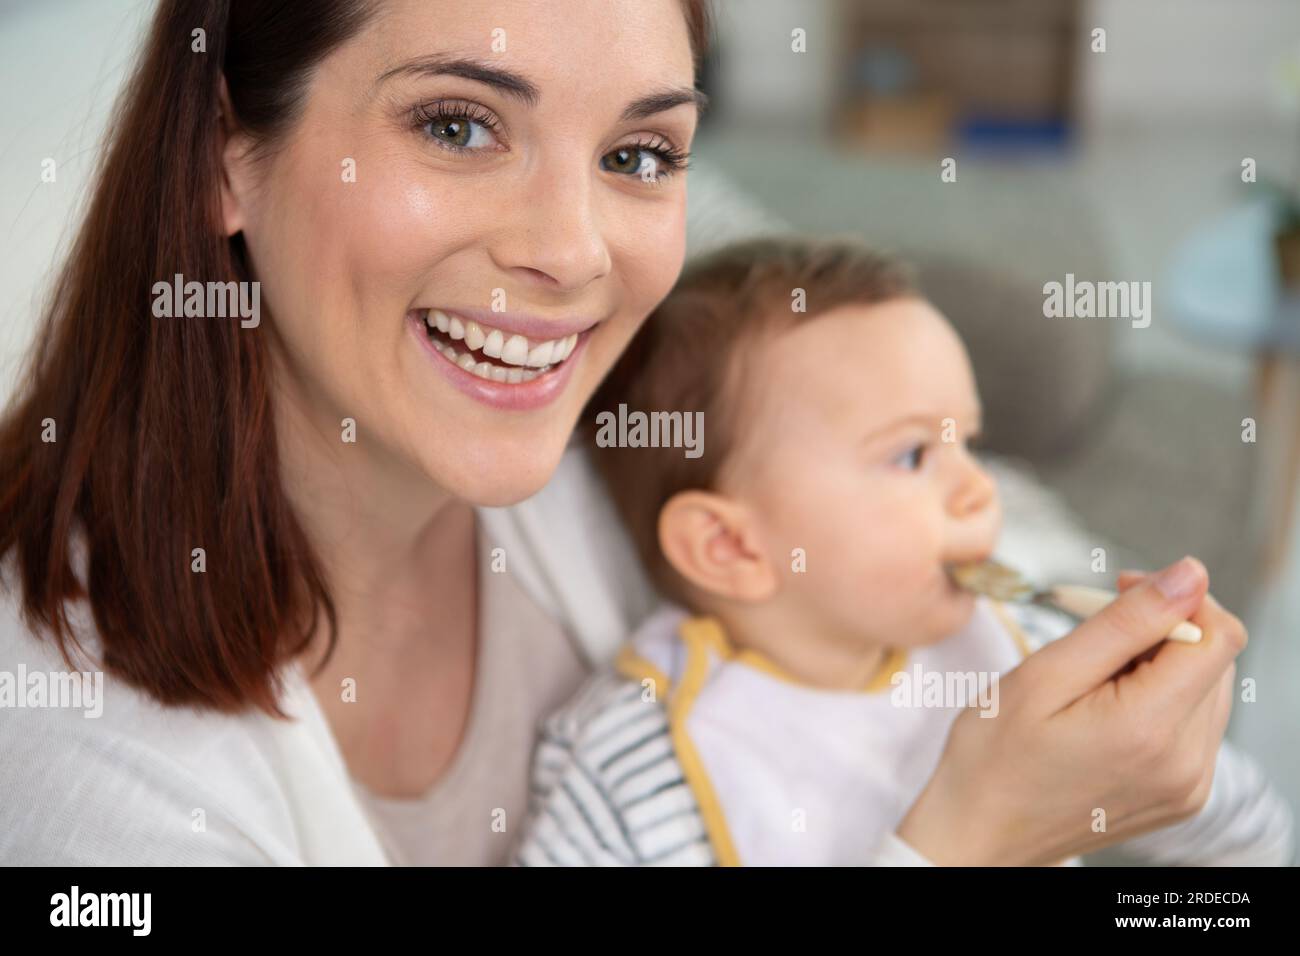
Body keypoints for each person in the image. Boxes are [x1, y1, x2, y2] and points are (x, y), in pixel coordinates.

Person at [0, 0, 1255, 867]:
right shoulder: (89, 783)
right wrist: (966, 834)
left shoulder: (596, 419)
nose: (573, 251)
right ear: (224, 147)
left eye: (640, 151)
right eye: (456, 124)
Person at [514, 236, 1293, 866]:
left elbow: (1239, 828)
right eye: (913, 455)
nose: (980, 493)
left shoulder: (1028, 656)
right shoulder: (633, 771)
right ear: (730, 546)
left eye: (970, 443)